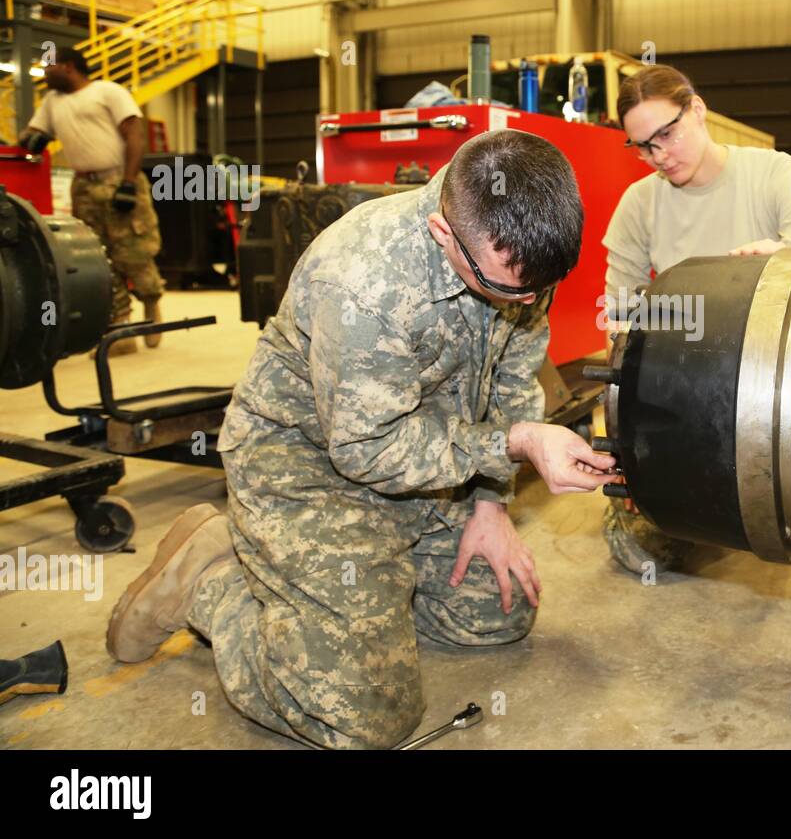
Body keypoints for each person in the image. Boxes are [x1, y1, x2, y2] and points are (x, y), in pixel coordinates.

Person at [106, 129, 620, 749]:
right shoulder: (361, 282)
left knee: (496, 615)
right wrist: (511, 444)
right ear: (441, 233)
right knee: (361, 718)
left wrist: (491, 505)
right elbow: (366, 450)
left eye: (541, 286)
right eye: (511, 290)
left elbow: (513, 376)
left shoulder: (516, 247)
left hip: (432, 461)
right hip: (311, 470)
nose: (529, 300)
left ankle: (357, 590)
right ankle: (214, 584)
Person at [601, 64, 791, 574]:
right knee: (647, 546)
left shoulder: (775, 173)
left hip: (774, 383)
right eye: (643, 146)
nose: (659, 155)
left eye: (667, 134)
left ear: (698, 109)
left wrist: (781, 254)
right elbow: (618, 310)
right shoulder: (639, 204)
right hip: (687, 382)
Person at [18, 46, 162, 354]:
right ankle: (121, 330)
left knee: (133, 254)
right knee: (100, 258)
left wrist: (128, 183)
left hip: (118, 179)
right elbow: (31, 132)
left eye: (49, 66)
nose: (44, 73)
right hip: (83, 185)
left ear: (69, 66)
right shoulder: (52, 102)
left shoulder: (107, 91)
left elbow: (135, 135)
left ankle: (152, 304)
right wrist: (31, 138)